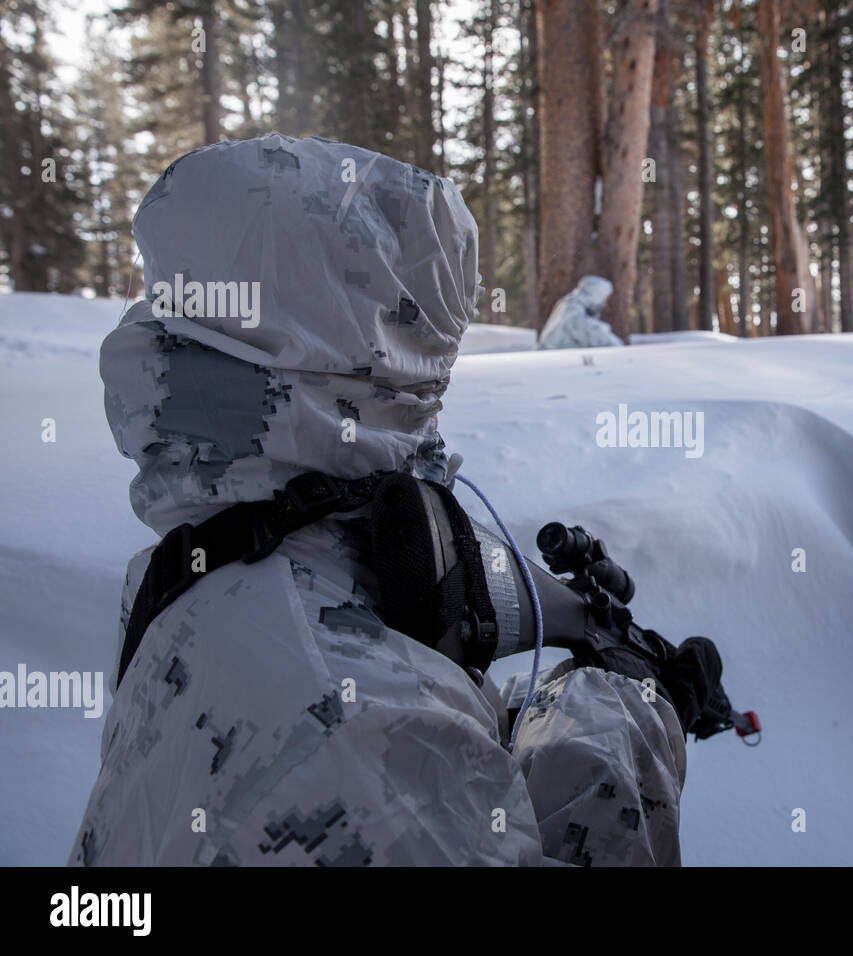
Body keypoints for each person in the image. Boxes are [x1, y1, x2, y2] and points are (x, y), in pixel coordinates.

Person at [68, 133, 713, 867]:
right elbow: (373, 762)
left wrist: (524, 706)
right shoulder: (339, 717)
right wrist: (626, 707)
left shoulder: (212, 568)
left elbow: (426, 767)